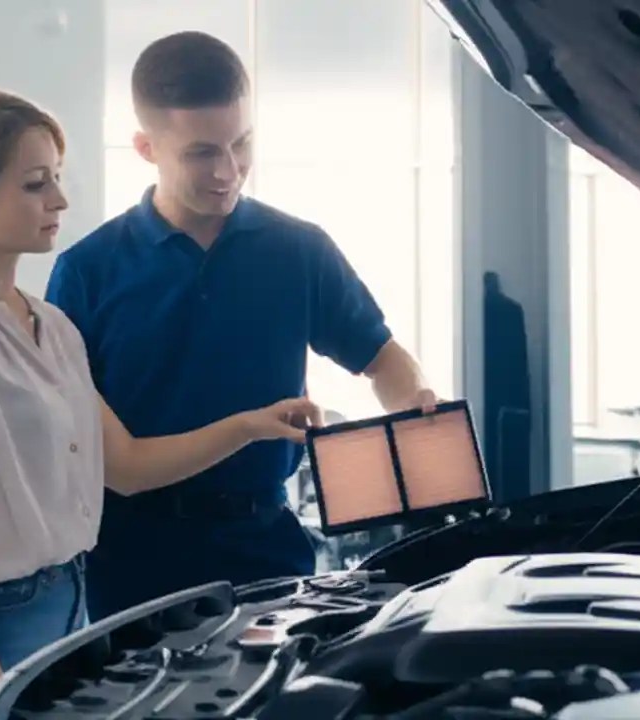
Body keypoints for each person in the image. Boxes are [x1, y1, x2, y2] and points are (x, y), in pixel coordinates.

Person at [0, 88, 321, 719]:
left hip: (67, 617)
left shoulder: (51, 326)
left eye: (55, 179)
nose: (59, 200)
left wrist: (249, 426)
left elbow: (129, 466)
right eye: (35, 185)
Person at [45, 31, 439, 622]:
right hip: (128, 565)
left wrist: (412, 403)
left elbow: (381, 358)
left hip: (267, 553)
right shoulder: (86, 272)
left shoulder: (299, 249)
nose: (229, 171)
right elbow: (98, 459)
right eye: (202, 152)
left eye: (243, 143)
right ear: (146, 147)